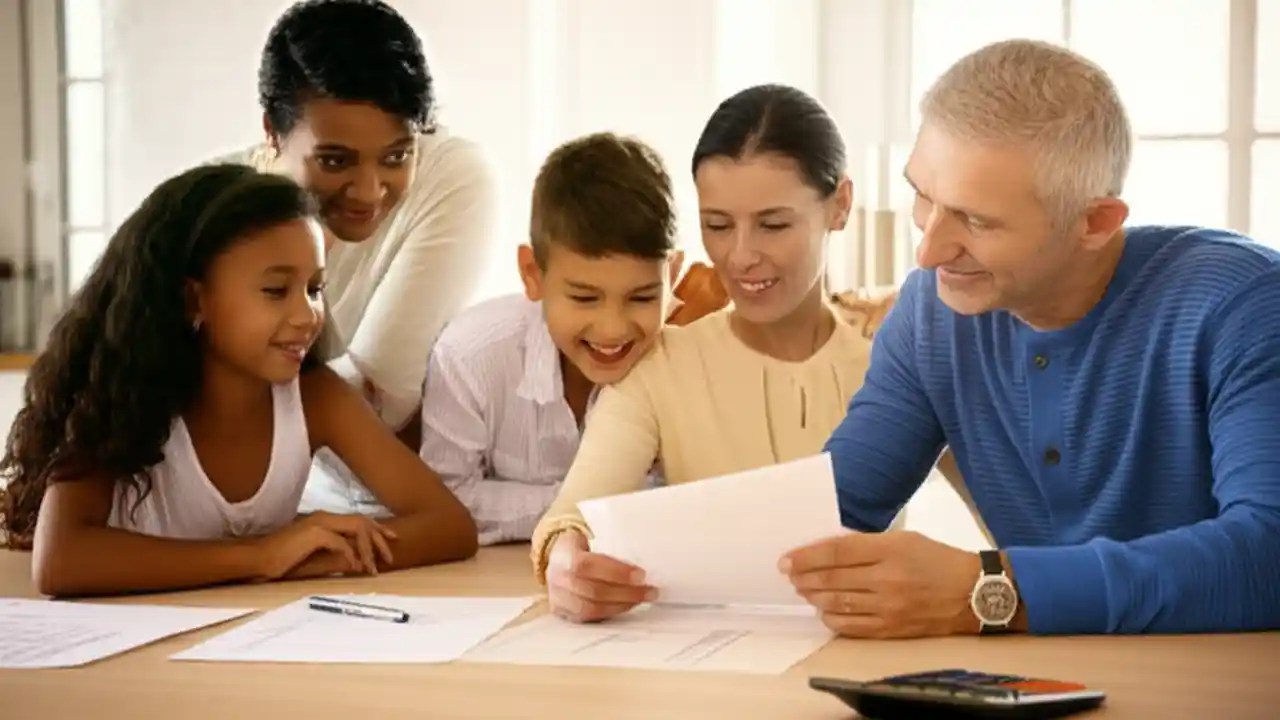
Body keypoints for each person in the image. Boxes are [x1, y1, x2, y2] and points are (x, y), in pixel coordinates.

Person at [782, 39, 1280, 637]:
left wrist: (990, 589)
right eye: (922, 195)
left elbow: (1267, 552)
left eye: (978, 220)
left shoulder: (1245, 304)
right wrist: (650, 568)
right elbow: (831, 511)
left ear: (1095, 222)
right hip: (1038, 681)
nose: (928, 250)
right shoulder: (930, 312)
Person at [0, 164, 478, 597]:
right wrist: (261, 556)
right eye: (276, 291)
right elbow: (61, 562)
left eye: (314, 289)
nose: (307, 314)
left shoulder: (318, 399)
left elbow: (449, 525)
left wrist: (308, 558)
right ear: (194, 300)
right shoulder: (121, 395)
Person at [530, 84, 891, 623]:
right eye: (717, 226)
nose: (741, 256)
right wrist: (567, 566)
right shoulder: (662, 367)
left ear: (839, 205)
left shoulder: (890, 366)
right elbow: (570, 519)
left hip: (868, 661)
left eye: (773, 224)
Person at [224, 0, 498, 514]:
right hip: (249, 509)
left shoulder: (452, 175)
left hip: (389, 496)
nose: (369, 192)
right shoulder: (208, 209)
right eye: (334, 160)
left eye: (397, 156)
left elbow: (382, 401)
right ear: (272, 131)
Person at [419, 133, 682, 546]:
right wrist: (589, 507)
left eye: (643, 297)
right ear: (532, 274)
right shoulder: (469, 356)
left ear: (674, 275)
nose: (612, 328)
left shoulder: (686, 362)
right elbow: (447, 498)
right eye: (584, 298)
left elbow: (689, 499)